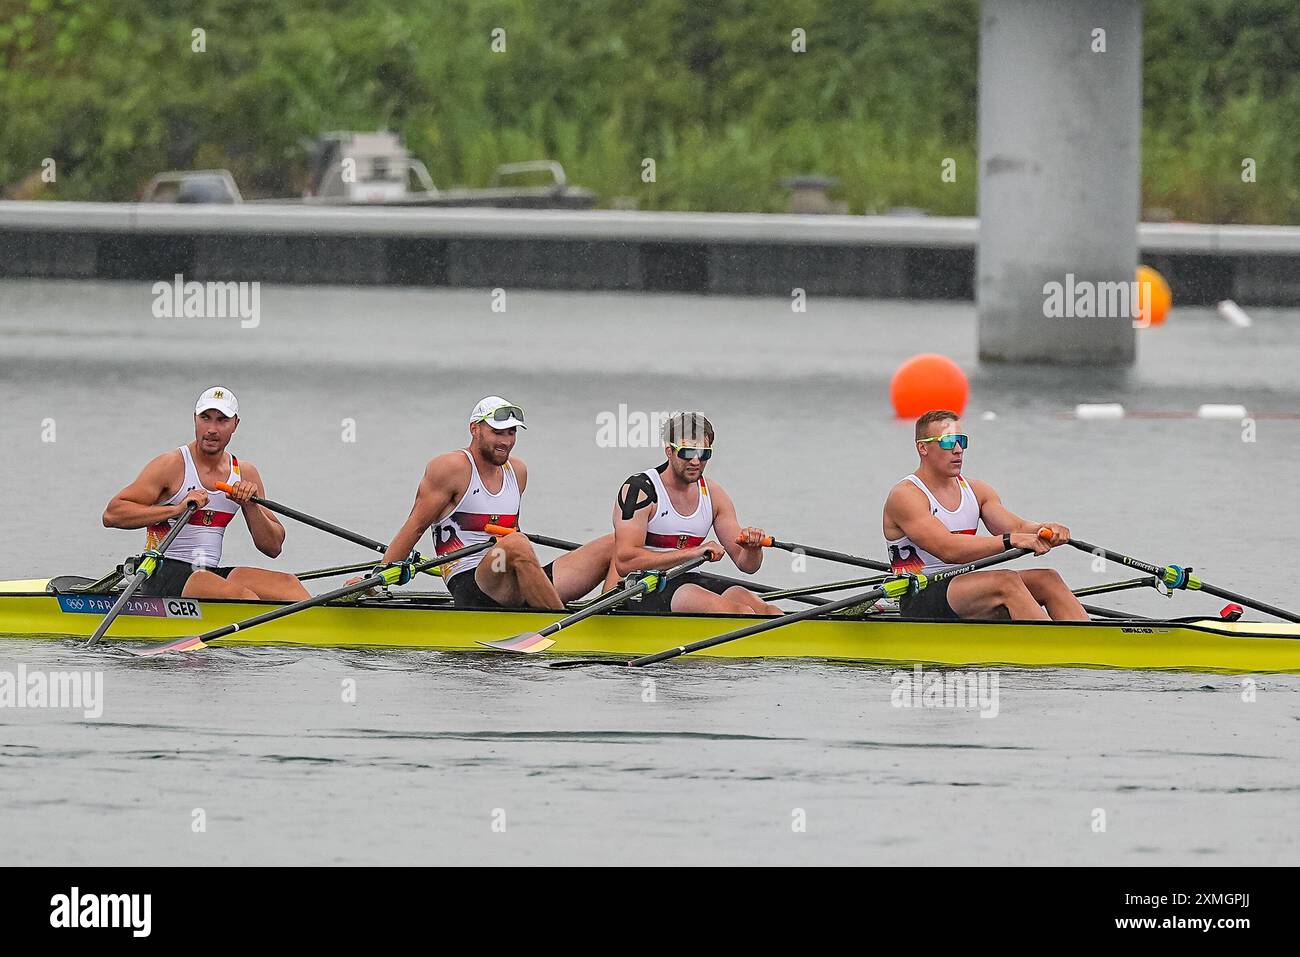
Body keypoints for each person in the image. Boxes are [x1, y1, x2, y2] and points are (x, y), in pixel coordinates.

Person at [376, 396, 613, 610]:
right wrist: (378, 578)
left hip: (508, 578)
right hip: (472, 584)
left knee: (615, 543)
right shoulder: (451, 468)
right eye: (498, 433)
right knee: (517, 543)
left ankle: (613, 619)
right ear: (475, 429)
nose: (507, 441)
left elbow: (512, 535)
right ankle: (561, 624)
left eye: (512, 433)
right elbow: (415, 525)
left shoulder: (517, 471)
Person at [102, 387, 309, 600]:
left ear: (235, 425)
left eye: (222, 420)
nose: (212, 428)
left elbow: (273, 547)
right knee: (243, 597)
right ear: (195, 419)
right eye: (205, 418)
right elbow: (112, 515)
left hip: (207, 573)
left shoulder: (245, 474)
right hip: (162, 571)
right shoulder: (171, 465)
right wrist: (176, 510)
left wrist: (250, 506)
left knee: (290, 587)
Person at [882, 409, 1088, 621]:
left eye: (961, 441)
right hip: (918, 595)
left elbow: (1016, 528)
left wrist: (1045, 529)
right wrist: (1011, 541)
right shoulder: (906, 496)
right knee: (1005, 581)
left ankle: (1090, 645)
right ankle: (1055, 648)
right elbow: (948, 549)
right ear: (922, 447)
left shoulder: (977, 490)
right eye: (947, 442)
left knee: (1047, 578)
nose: (958, 449)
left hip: (964, 588)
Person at [609, 411, 782, 614]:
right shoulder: (640, 490)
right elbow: (624, 562)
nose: (695, 462)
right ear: (669, 451)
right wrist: (694, 552)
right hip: (646, 587)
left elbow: (747, 565)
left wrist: (753, 548)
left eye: (704, 454)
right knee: (741, 613)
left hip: (690, 582)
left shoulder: (714, 494)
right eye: (687, 453)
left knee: (769, 612)